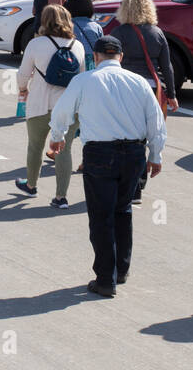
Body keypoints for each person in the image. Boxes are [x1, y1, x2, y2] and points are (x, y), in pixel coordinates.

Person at [47, 35, 165, 297]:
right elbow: (155, 122)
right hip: (134, 152)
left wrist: (56, 138)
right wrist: (155, 155)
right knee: (123, 210)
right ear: (120, 57)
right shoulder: (138, 82)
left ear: (97, 57)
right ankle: (121, 270)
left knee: (101, 217)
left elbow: (62, 113)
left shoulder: (85, 80)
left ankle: (105, 279)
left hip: (100, 153)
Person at [110, 0, 177, 204]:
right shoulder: (157, 33)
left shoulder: (120, 33)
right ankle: (139, 186)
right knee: (144, 137)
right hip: (152, 90)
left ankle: (126, 184)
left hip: (126, 89)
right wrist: (172, 94)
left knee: (127, 137)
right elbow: (167, 67)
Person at [13, 4, 84, 206]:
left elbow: (23, 74)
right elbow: (82, 77)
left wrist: (23, 89)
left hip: (39, 104)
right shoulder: (77, 46)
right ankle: (61, 197)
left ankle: (31, 186)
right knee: (64, 149)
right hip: (69, 108)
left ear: (44, 21)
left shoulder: (36, 44)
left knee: (35, 147)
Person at [66, 0, 104, 69]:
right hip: (92, 64)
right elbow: (101, 48)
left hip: (73, 62)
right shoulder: (96, 27)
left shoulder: (67, 26)